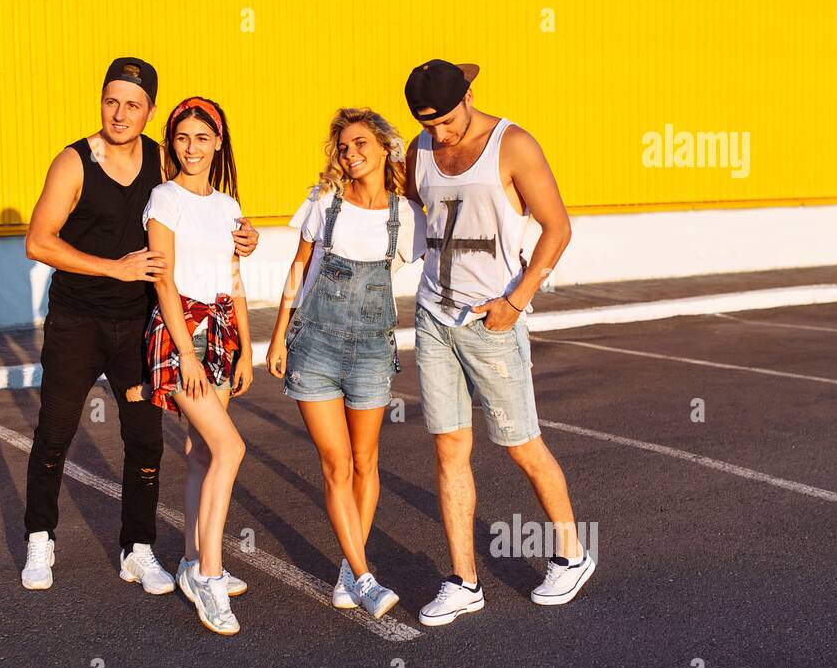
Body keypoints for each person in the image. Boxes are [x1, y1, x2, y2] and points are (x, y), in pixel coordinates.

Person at [20, 59, 259, 594]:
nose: (119, 113)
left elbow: (205, 217)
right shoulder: (75, 161)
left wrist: (244, 237)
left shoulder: (163, 159)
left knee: (144, 440)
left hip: (139, 323)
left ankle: (139, 549)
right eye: (111, 101)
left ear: (150, 111)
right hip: (78, 321)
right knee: (56, 431)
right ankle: (40, 537)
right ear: (100, 102)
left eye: (132, 104)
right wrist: (115, 267)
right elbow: (38, 242)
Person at [402, 59, 595, 626]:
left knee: (520, 445)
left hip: (493, 321)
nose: (438, 134)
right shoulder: (420, 148)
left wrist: (516, 302)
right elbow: (419, 210)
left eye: (444, 122)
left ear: (468, 97)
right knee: (448, 449)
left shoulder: (512, 145)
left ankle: (572, 554)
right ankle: (464, 580)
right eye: (426, 124)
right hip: (435, 316)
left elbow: (557, 227)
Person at [265, 108, 425, 620]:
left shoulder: (408, 218)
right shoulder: (324, 202)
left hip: (373, 351)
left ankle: (346, 568)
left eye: (360, 145)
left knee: (365, 462)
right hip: (314, 346)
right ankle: (365, 576)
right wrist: (277, 337)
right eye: (343, 147)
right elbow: (298, 267)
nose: (350, 155)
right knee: (335, 465)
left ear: (384, 148)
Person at [142, 97, 253, 636]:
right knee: (231, 447)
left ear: (217, 143)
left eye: (202, 138)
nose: (192, 148)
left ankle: (190, 561)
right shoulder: (164, 198)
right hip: (178, 334)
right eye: (182, 138)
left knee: (202, 453)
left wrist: (247, 348)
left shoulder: (228, 207)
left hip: (221, 331)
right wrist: (185, 352)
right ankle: (210, 576)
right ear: (173, 144)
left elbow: (233, 279)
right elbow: (163, 279)